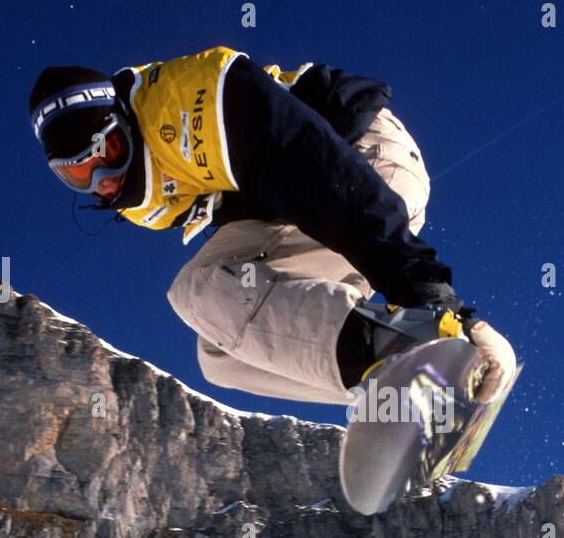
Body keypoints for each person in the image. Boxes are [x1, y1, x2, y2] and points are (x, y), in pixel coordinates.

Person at [28, 46, 515, 407]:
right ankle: (391, 387)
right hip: (301, 209)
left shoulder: (193, 103)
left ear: (121, 122)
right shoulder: (143, 196)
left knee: (196, 289)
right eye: (76, 174)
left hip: (359, 164)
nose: (101, 180)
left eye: (106, 153)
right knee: (220, 354)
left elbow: (315, 171)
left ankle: (416, 343)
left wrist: (424, 291)